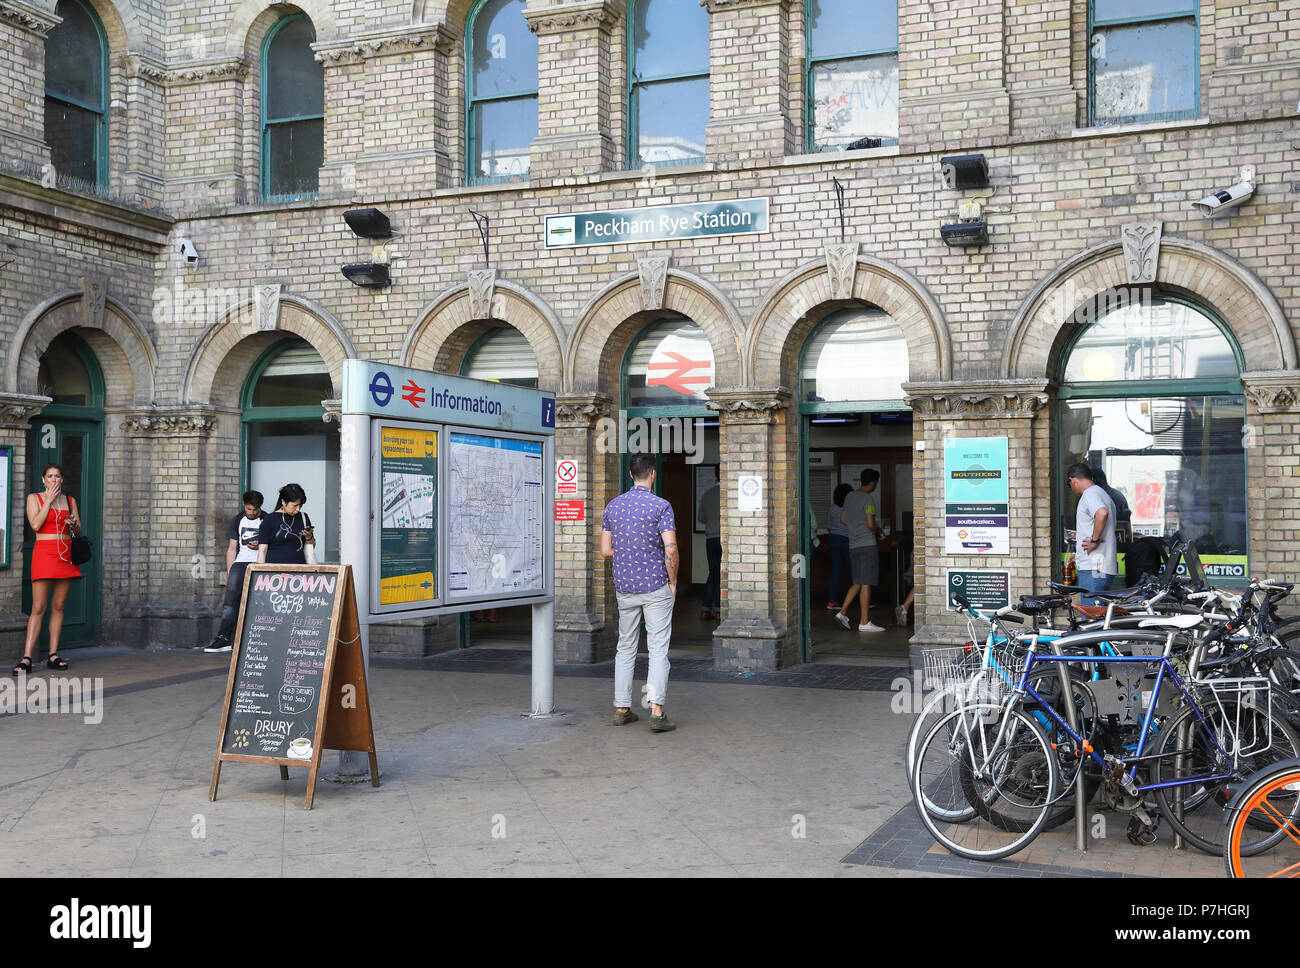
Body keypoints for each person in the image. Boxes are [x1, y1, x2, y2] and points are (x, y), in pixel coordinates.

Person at [600, 453, 678, 733]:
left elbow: (606, 550)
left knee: (625, 647)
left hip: (625, 587)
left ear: (631, 475)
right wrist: (673, 581)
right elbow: (670, 548)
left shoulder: (613, 507)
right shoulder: (661, 506)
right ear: (652, 474)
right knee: (658, 648)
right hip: (656, 585)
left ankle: (622, 708)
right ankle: (656, 711)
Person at [13, 464, 81, 675]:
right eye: (50, 476)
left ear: (62, 479)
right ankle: (27, 657)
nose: (54, 479)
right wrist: (49, 502)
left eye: (57, 476)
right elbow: (35, 524)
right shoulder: (35, 498)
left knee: (59, 605)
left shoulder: (70, 501)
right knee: (38, 607)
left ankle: (53, 654)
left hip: (65, 555)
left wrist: (72, 524)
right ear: (44, 479)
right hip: (44, 553)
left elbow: (79, 530)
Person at [203, 490, 264, 653]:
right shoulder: (238, 520)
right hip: (240, 562)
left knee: (259, 602)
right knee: (230, 601)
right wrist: (230, 572)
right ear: (244, 505)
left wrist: (260, 546)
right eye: (249, 509)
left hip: (259, 563)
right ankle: (223, 638)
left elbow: (272, 546)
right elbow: (231, 549)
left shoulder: (266, 519)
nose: (251, 513)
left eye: (255, 510)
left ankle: (258, 639)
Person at [835, 468, 885, 633]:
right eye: (876, 483)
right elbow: (870, 524)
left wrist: (855, 528)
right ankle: (864, 622)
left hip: (853, 544)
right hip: (866, 545)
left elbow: (843, 519)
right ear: (873, 483)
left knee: (857, 581)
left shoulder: (849, 496)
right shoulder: (868, 499)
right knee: (866, 583)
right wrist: (879, 532)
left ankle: (842, 613)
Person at [1067, 463, 1118, 606]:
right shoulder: (1103, 494)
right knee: (1100, 618)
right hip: (1102, 566)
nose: (1071, 487)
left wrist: (1094, 542)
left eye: (1069, 484)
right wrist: (1078, 554)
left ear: (1073, 480)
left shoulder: (1090, 494)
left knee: (1091, 621)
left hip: (1094, 567)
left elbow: (1102, 513)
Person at [256, 483, 315, 565]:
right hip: (274, 572)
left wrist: (309, 537)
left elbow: (311, 546)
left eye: (300, 505)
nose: (298, 509)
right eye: (295, 505)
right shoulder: (269, 519)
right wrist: (259, 571)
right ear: (283, 502)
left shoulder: (303, 517)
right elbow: (262, 550)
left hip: (300, 570)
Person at [696, 465, 721, 620]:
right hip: (724, 539)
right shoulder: (729, 494)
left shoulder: (707, 494)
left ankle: (705, 609)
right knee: (721, 574)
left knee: (713, 572)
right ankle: (719, 610)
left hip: (710, 539)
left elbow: (701, 518)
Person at [826, 483, 853, 612]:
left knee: (836, 570)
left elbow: (829, 526)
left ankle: (831, 601)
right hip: (846, 540)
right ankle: (863, 599)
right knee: (855, 571)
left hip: (833, 539)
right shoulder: (849, 508)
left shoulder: (832, 508)